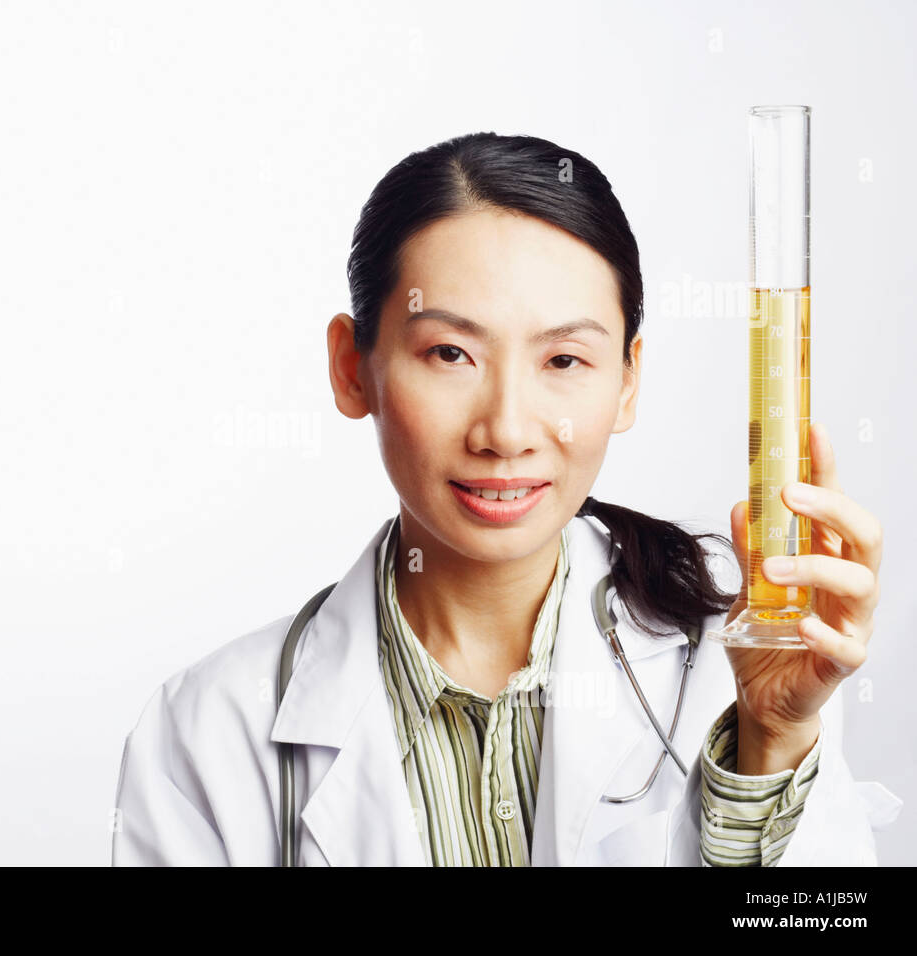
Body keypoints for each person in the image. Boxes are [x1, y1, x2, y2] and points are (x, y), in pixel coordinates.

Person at [109, 131, 901, 866]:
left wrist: (774, 742)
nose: (507, 429)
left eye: (563, 359)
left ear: (628, 381)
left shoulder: (739, 667)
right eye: (451, 352)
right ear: (354, 368)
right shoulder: (208, 733)